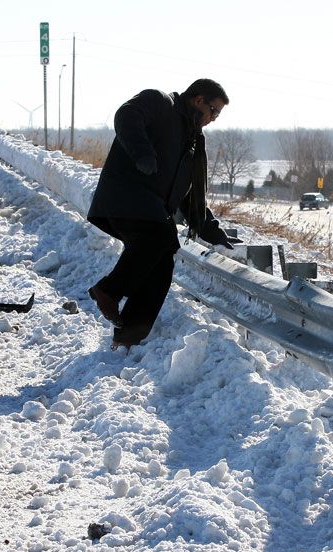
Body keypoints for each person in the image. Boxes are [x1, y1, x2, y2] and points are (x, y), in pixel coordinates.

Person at [86, 78, 241, 349]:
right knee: (161, 235)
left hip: (149, 210)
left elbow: (190, 195)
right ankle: (109, 290)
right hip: (124, 196)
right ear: (198, 100)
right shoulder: (160, 102)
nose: (213, 119)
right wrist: (141, 152)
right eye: (213, 111)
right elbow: (126, 114)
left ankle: (127, 338)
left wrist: (210, 229)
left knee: (161, 266)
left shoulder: (193, 138)